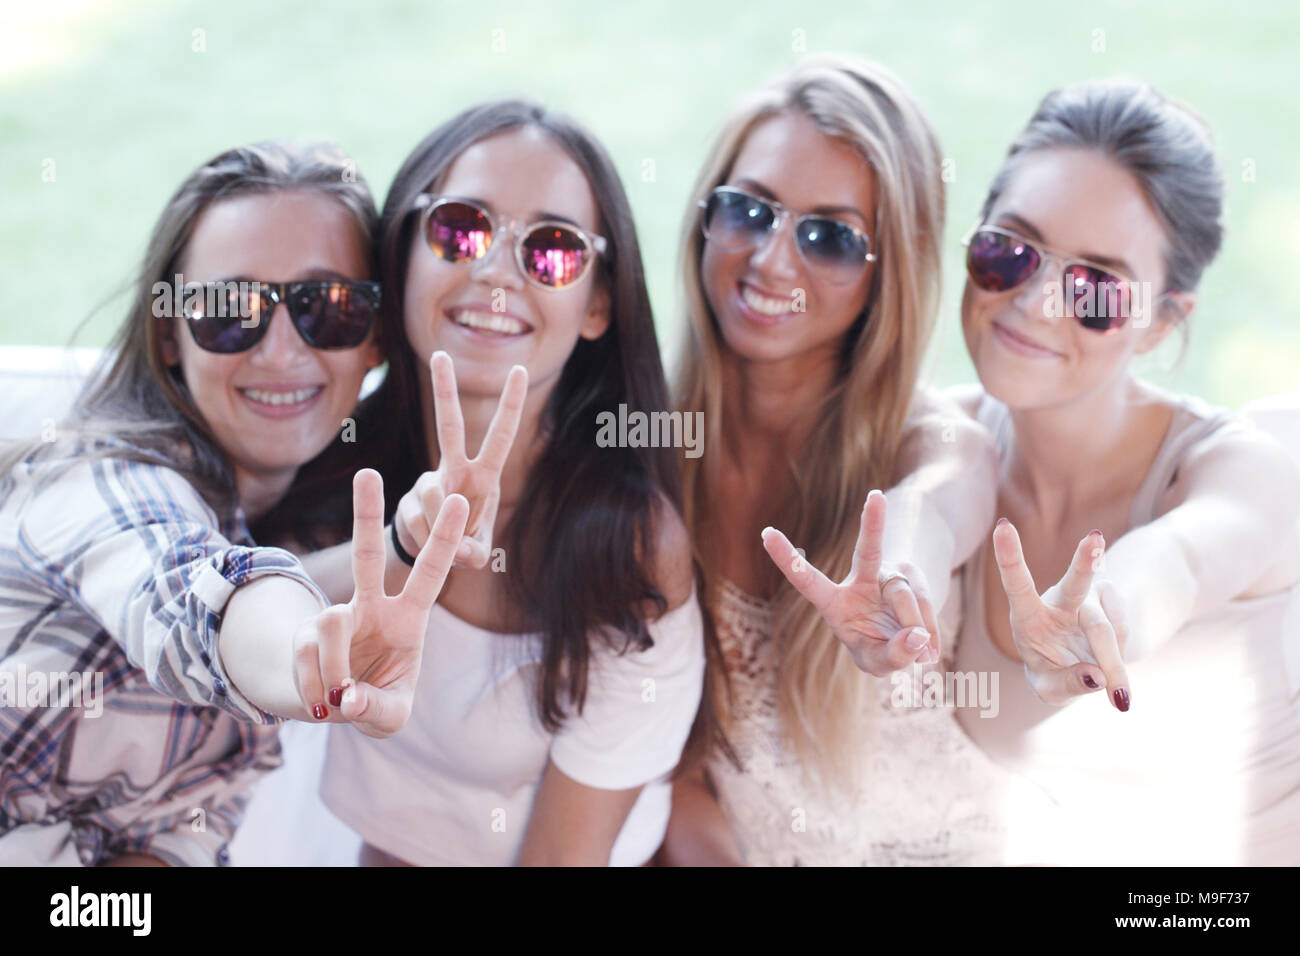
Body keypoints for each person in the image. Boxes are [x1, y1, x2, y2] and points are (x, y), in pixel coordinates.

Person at [0, 141, 467, 866]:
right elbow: (191, 591)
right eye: (229, 308)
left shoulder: (294, 520)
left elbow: (164, 848)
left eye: (329, 307)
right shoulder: (102, 477)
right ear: (169, 333)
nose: (280, 351)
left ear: (375, 340)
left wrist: (409, 544)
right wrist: (301, 660)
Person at [658, 55, 1057, 866]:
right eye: (748, 210)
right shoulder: (656, 457)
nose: (771, 261)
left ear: (888, 276)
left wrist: (901, 574)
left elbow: (944, 494)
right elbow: (670, 774)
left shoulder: (930, 440)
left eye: (831, 238)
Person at [318, 101, 706, 866]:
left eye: (553, 250)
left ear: (597, 304)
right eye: (461, 228)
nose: (496, 272)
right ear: (403, 255)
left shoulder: (631, 547)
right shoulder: (338, 451)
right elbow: (233, 608)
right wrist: (405, 543)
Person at [950, 78, 1300, 864]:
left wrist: (1102, 616)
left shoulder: (1238, 470)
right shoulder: (946, 443)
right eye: (1009, 248)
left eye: (1095, 288)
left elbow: (1180, 557)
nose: (1037, 302)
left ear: (1163, 321)